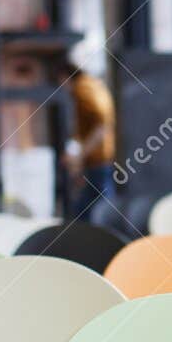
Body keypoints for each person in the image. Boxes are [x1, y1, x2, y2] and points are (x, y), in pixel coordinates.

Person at [62, 58, 117, 223]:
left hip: (98, 158)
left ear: (64, 77)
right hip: (101, 157)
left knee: (94, 209)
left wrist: (80, 156)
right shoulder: (92, 84)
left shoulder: (82, 87)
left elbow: (101, 125)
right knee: (94, 206)